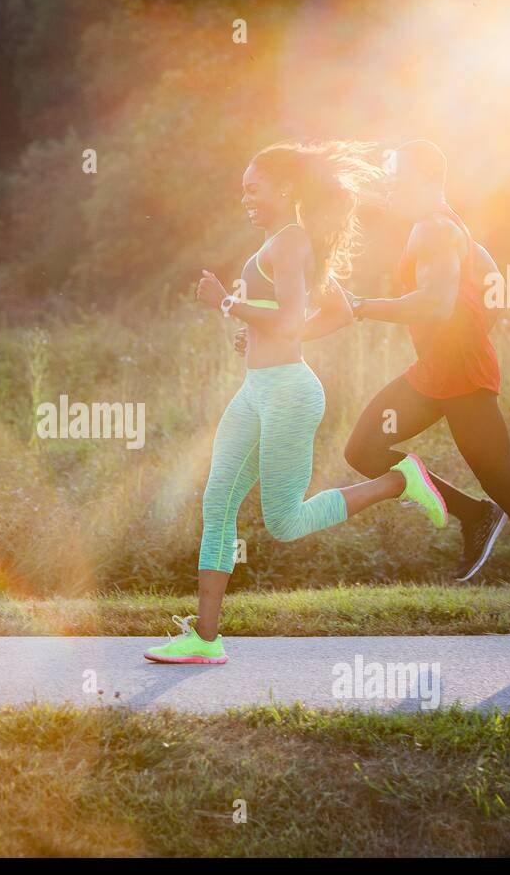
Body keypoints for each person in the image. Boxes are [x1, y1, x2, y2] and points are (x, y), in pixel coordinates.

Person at [144, 141, 447, 665]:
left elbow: (285, 319)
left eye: (253, 188)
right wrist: (258, 333)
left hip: (288, 393)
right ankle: (205, 638)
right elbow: (325, 312)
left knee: (283, 523)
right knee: (218, 503)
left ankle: (401, 480)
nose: (246, 199)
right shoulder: (289, 245)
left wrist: (228, 304)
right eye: (242, 191)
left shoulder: (289, 243)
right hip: (256, 388)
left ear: (283, 188)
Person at [335, 139, 510, 645]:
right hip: (436, 371)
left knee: (506, 484)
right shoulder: (450, 227)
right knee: (364, 449)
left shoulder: (434, 228)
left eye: (395, 177)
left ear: (425, 179)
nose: (388, 187)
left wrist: (364, 306)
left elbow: (436, 303)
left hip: (461, 377)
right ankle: (474, 513)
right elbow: (492, 284)